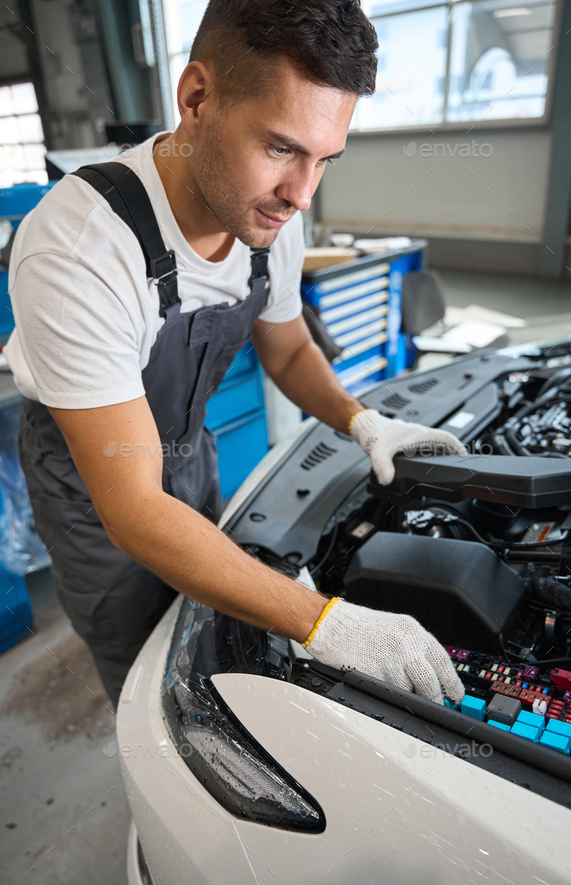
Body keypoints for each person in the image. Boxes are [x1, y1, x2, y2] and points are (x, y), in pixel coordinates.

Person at [5, 0, 466, 708]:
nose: (300, 195)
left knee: (212, 630)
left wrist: (362, 420)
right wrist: (326, 622)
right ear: (196, 99)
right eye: (281, 147)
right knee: (148, 680)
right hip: (92, 490)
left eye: (323, 159)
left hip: (188, 450)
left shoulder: (267, 216)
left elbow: (285, 347)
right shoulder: (80, 249)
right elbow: (131, 506)